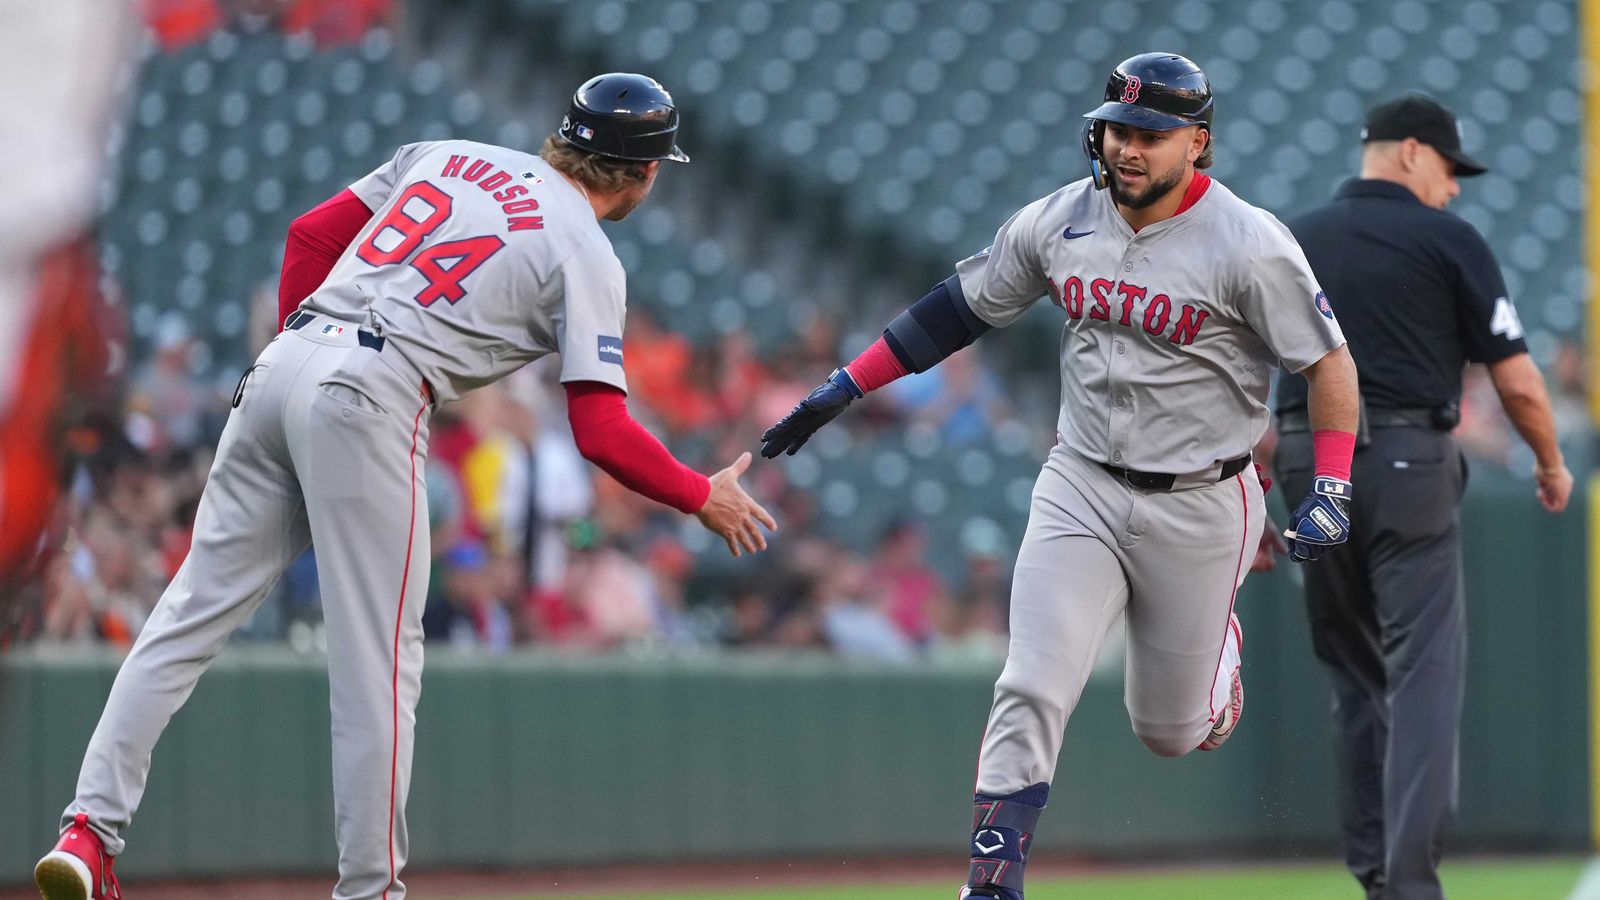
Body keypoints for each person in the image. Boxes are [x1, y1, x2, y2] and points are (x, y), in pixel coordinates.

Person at [33, 73, 776, 900]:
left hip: (287, 358)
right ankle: (371, 891)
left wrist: (299, 351)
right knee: (380, 665)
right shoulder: (586, 251)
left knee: (185, 612)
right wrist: (697, 493)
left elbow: (309, 236)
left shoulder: (446, 155)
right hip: (375, 391)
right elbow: (601, 432)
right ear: (643, 173)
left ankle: (88, 833)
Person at [761, 52, 1361, 900]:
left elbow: (1329, 365)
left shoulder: (1250, 244)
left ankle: (1218, 658)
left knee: (1167, 729)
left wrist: (1331, 486)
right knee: (1031, 682)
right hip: (1080, 478)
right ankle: (991, 884)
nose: (1129, 148)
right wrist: (846, 385)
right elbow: (956, 309)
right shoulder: (1060, 220)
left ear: (1199, 143)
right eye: (1118, 129)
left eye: (1151, 134)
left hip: (1203, 496)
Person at [1271, 94, 1573, 900]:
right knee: (1423, 678)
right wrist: (1549, 462)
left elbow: (1241, 373)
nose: (1455, 187)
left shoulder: (1292, 238)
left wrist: (1258, 475)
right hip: (1409, 461)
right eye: (1448, 167)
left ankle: (1374, 874)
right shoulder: (1447, 239)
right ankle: (1408, 886)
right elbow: (1517, 380)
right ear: (1410, 153)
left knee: (1354, 678)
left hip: (1308, 465)